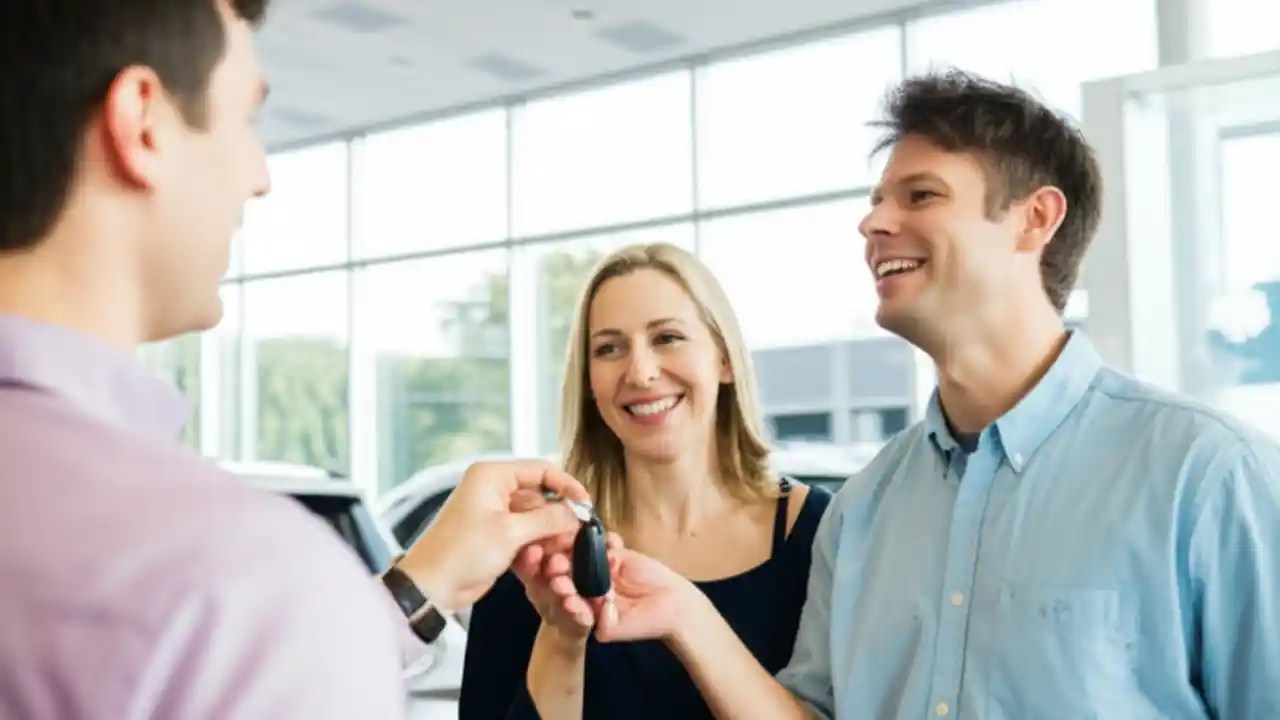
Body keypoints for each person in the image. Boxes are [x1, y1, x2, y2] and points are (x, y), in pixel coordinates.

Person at [539, 71, 1280, 719]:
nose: (872, 222)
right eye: (876, 200)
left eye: (920, 195)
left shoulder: (1208, 477)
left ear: (1035, 219)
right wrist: (688, 617)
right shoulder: (863, 510)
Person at [0, 3, 588, 718]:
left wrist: (414, 586)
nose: (259, 176)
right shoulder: (243, 582)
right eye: (244, 119)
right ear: (142, 122)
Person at [457, 243, 833, 718]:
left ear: (724, 359)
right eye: (609, 348)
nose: (640, 371)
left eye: (667, 337)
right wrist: (560, 634)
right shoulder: (539, 548)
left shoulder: (823, 535)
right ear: (590, 383)